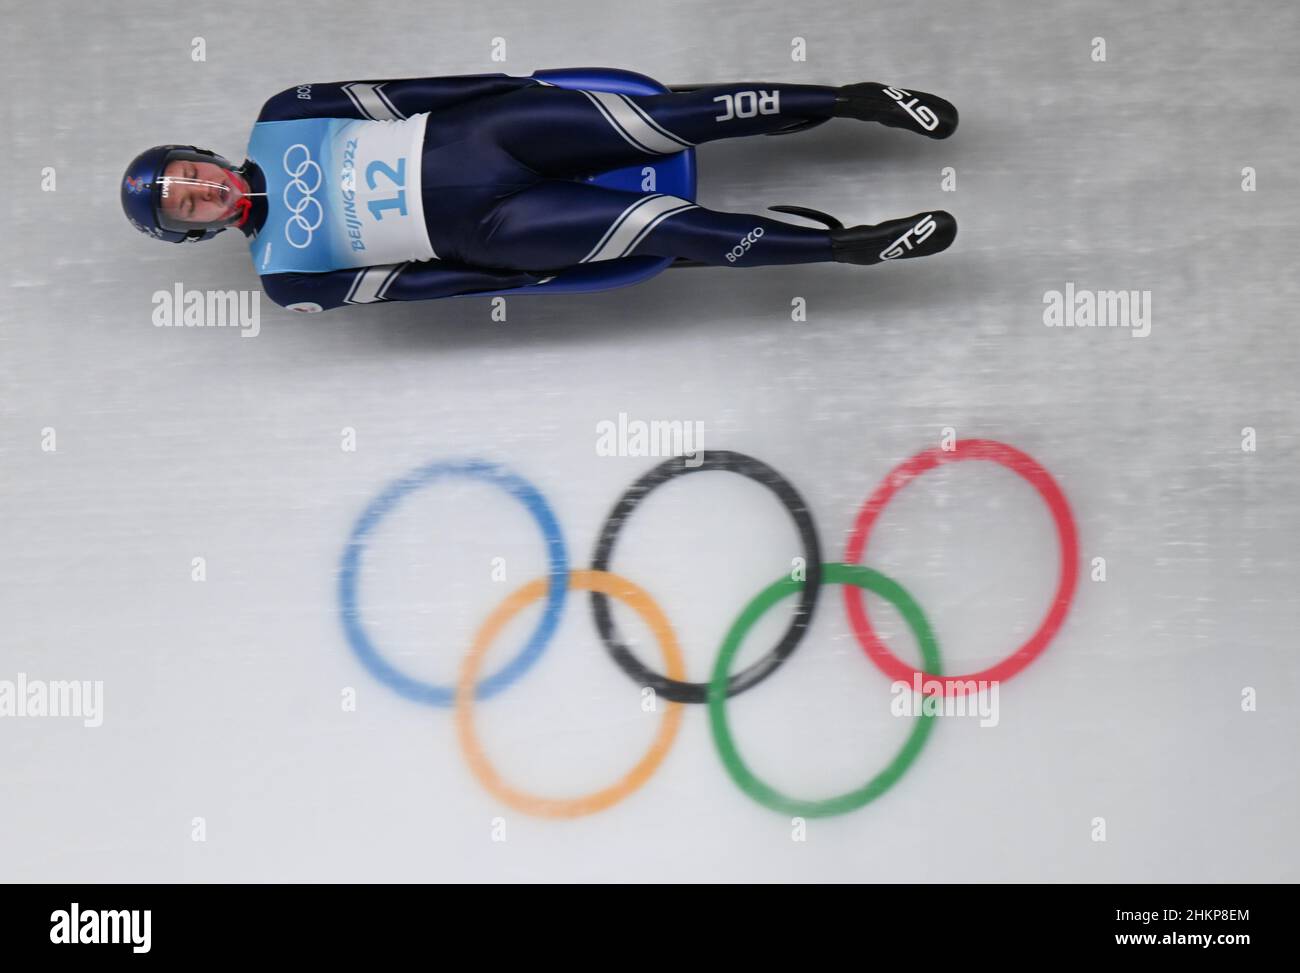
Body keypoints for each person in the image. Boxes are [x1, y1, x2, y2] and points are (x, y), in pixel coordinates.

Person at [120, 73, 958, 312]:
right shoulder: (284, 273)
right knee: (668, 227)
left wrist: (507, 88)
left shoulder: (282, 113)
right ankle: (849, 246)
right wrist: (510, 278)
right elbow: (405, 287)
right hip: (490, 226)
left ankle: (856, 100)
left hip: (485, 133)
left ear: (200, 157)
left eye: (189, 175)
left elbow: (401, 94)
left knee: (670, 119)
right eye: (185, 205)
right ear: (194, 229)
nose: (201, 191)